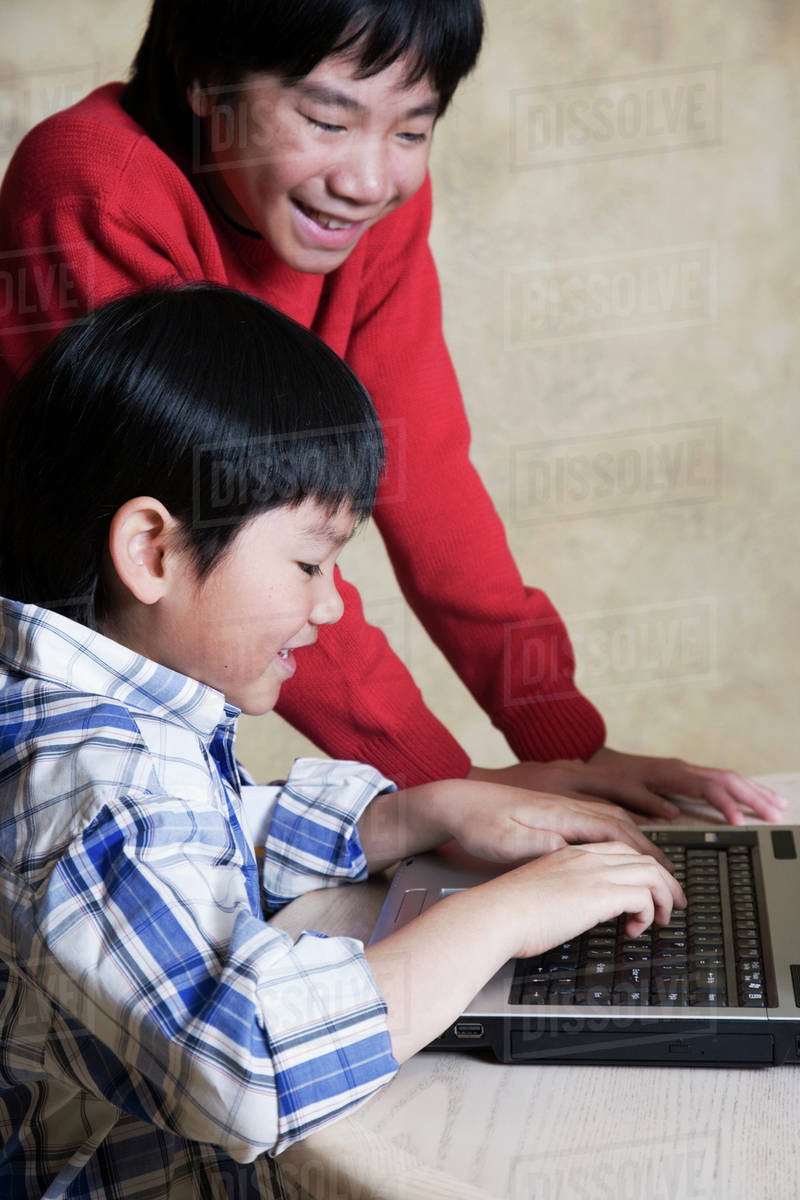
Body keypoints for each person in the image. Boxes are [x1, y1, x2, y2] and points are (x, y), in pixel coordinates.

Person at [0, 0, 786, 825]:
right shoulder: (92, 188)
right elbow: (239, 547)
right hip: (59, 698)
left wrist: (561, 742)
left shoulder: (364, 212)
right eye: (325, 120)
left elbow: (429, 470)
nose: (370, 182)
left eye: (412, 131)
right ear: (205, 81)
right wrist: (447, 787)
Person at [0, 285, 684, 1198]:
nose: (329, 605)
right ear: (153, 551)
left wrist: (409, 817)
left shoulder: (85, 731)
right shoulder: (88, 779)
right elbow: (244, 1068)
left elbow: (193, 840)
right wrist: (505, 915)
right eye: (309, 562)